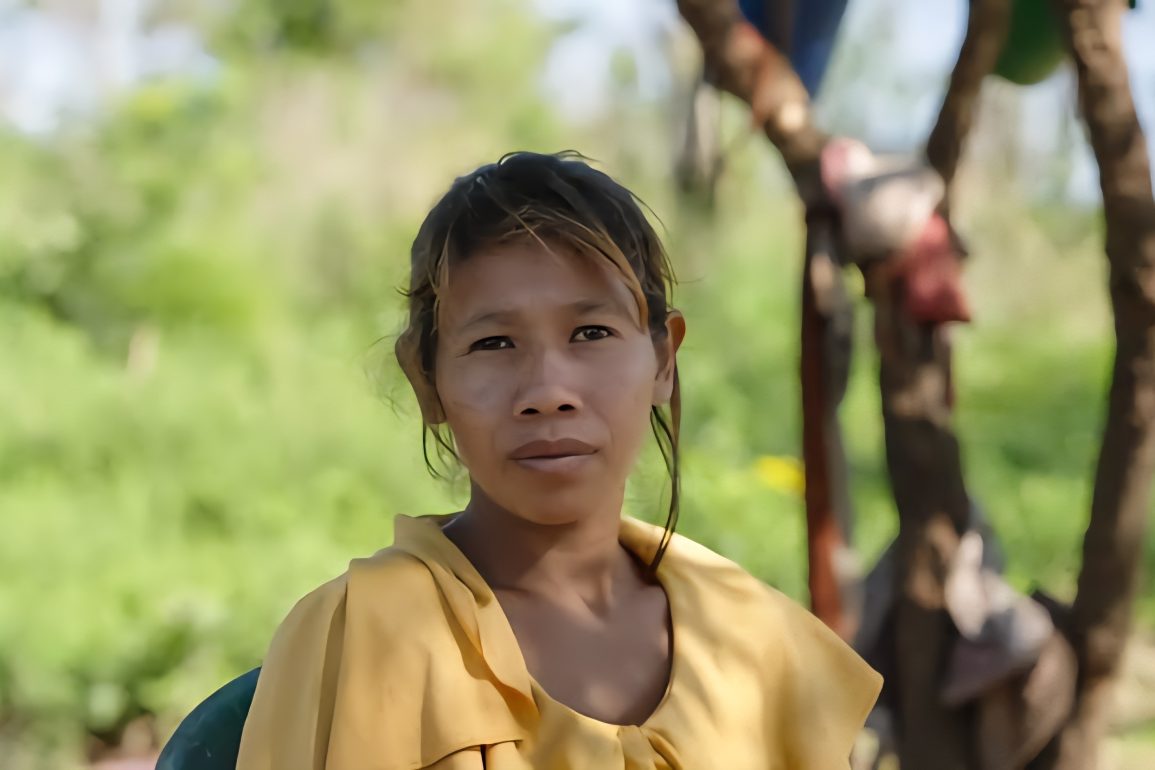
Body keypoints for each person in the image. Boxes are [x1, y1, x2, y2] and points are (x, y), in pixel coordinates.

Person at [234, 151, 881, 770]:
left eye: (591, 333)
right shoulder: (363, 637)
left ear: (662, 359)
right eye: (493, 342)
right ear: (426, 379)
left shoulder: (756, 640)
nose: (547, 392)